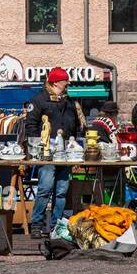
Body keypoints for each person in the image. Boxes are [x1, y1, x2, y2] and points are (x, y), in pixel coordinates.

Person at [22, 68, 86, 238]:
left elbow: (75, 126)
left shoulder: (70, 102)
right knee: (45, 187)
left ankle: (56, 224)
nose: (67, 85)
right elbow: (31, 126)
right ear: (56, 82)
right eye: (65, 81)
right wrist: (38, 147)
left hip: (65, 150)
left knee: (62, 190)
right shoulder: (39, 100)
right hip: (47, 151)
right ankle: (37, 223)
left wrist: (75, 145)